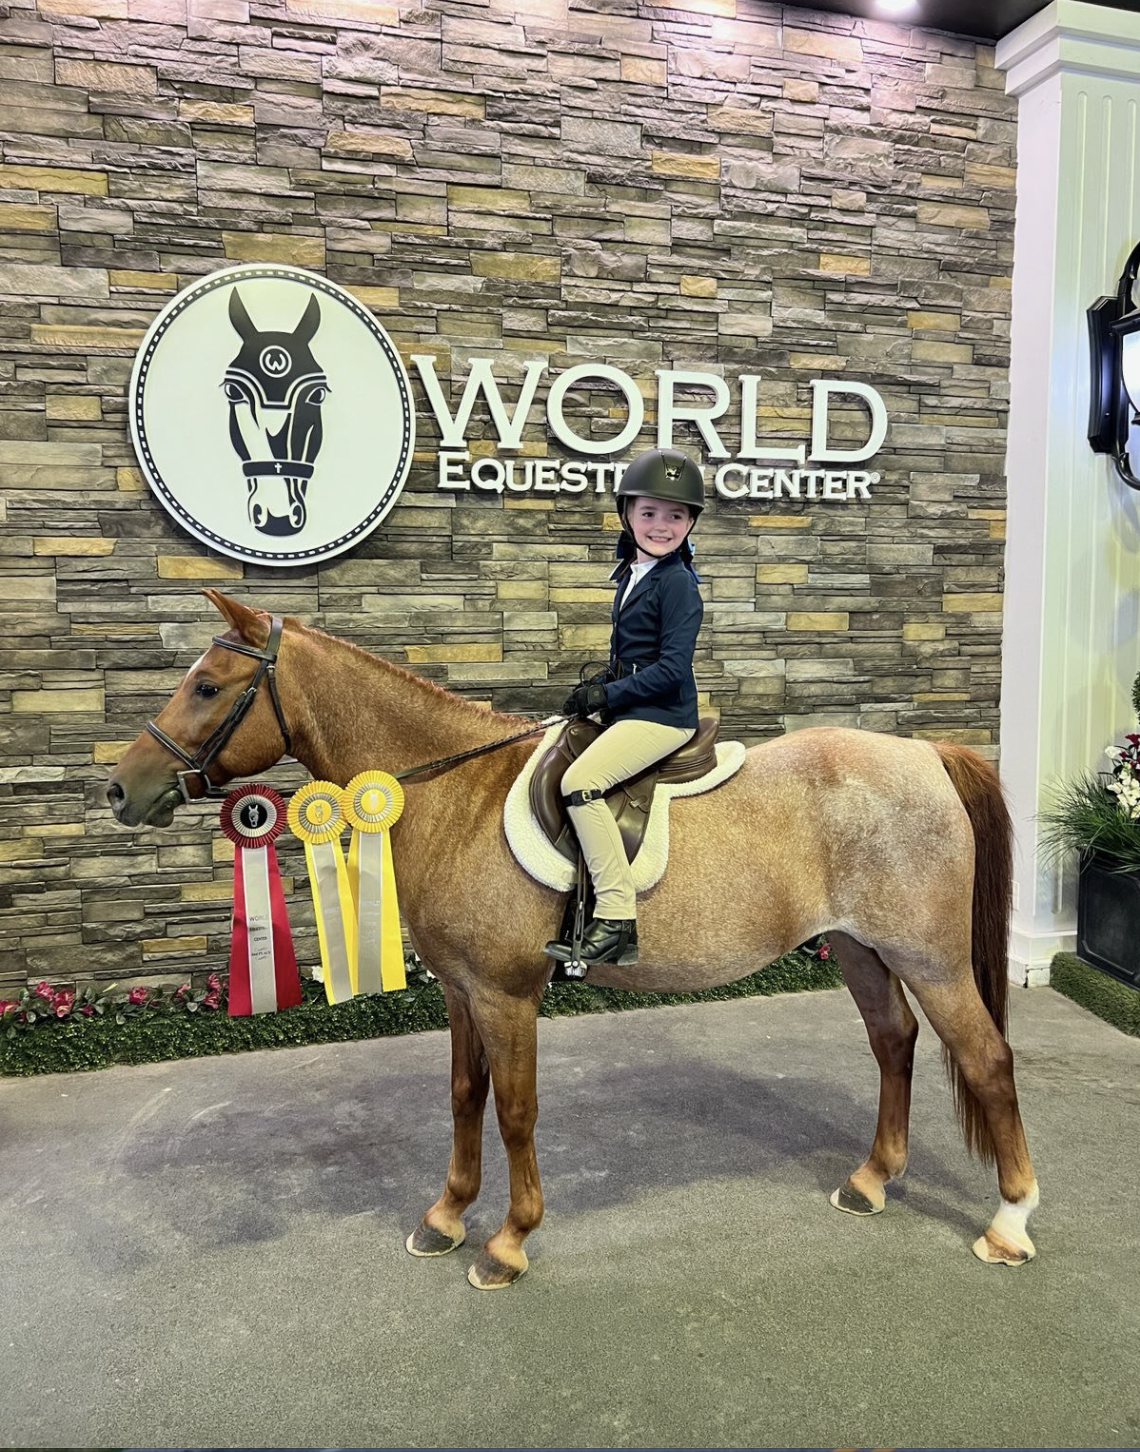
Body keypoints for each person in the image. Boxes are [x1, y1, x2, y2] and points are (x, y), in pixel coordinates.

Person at [545, 446, 705, 970]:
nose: (662, 525)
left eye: (675, 515)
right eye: (649, 512)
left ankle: (615, 917)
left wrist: (608, 696)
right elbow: (632, 655)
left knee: (578, 784)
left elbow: (672, 670)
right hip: (631, 710)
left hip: (664, 717)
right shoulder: (632, 572)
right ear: (627, 514)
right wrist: (596, 687)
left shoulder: (679, 583)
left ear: (689, 523)